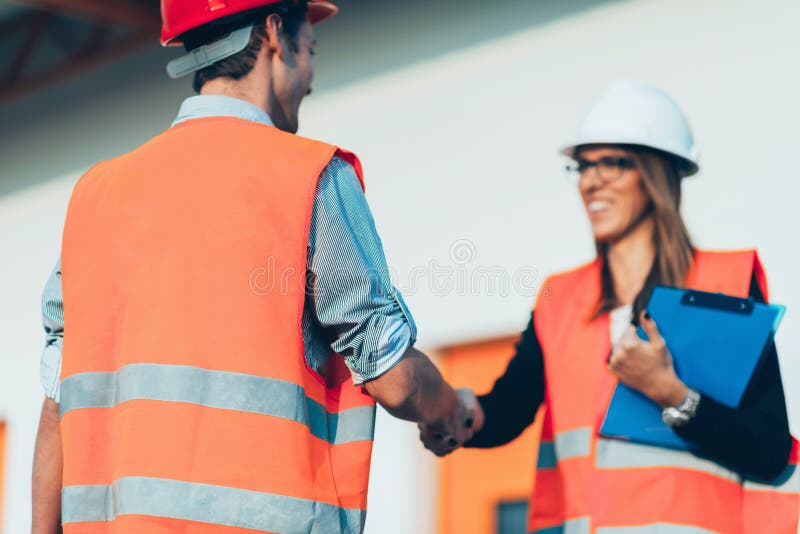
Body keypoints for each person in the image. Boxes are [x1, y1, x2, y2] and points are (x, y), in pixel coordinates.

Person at [31, 2, 475, 533]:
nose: (309, 77)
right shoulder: (310, 178)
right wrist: (450, 407)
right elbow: (395, 379)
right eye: (310, 49)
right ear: (273, 34)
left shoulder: (96, 196)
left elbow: (60, 399)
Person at [420, 80, 799, 533]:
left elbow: (769, 447)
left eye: (612, 164)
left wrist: (671, 394)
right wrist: (454, 412)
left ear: (658, 173)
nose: (590, 180)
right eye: (582, 166)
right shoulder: (561, 300)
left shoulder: (725, 285)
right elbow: (508, 407)